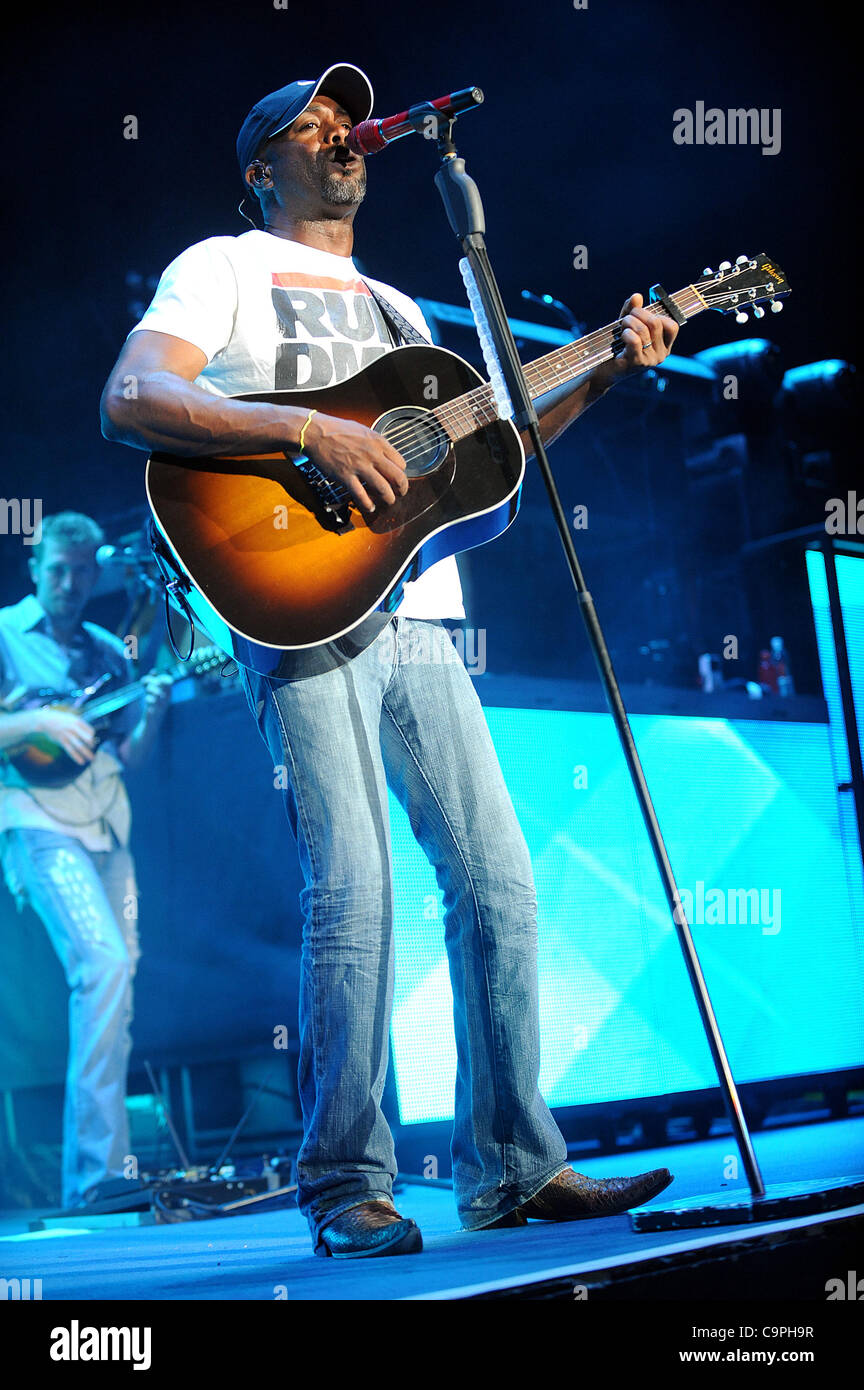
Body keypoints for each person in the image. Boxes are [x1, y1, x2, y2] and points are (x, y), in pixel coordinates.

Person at [100, 62, 680, 1258]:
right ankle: (344, 1180)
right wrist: (305, 424)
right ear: (264, 170)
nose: (341, 132)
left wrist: (610, 364)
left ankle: (516, 1163)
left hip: (418, 614)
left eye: (344, 118)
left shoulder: (411, 312)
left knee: (501, 884)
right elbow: (134, 395)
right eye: (309, 124)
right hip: (294, 601)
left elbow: (501, 455)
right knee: (354, 892)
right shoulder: (224, 265)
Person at [0, 512, 170, 1210]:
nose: (71, 583)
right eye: (58, 570)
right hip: (36, 825)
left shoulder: (108, 651)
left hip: (107, 827)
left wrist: (153, 708)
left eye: (82, 572)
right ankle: (96, 1176)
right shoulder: (6, 634)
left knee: (116, 979)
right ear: (34, 567)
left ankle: (99, 1175)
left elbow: (130, 755)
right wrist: (36, 721)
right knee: (100, 965)